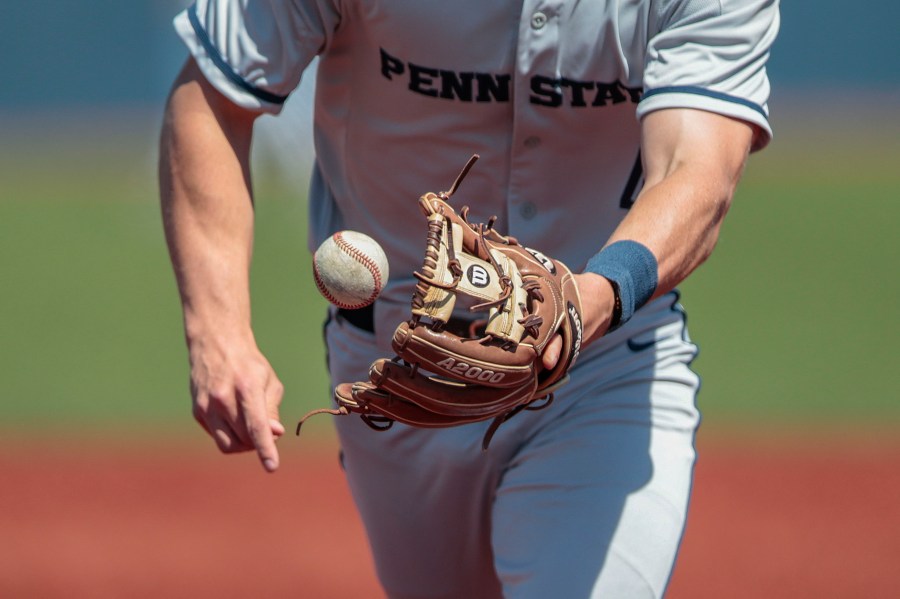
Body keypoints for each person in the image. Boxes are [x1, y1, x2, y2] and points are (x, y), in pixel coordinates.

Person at [159, 0, 779, 596]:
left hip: (600, 362)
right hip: (398, 364)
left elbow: (698, 172)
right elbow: (213, 98)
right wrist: (218, 332)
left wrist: (589, 299)